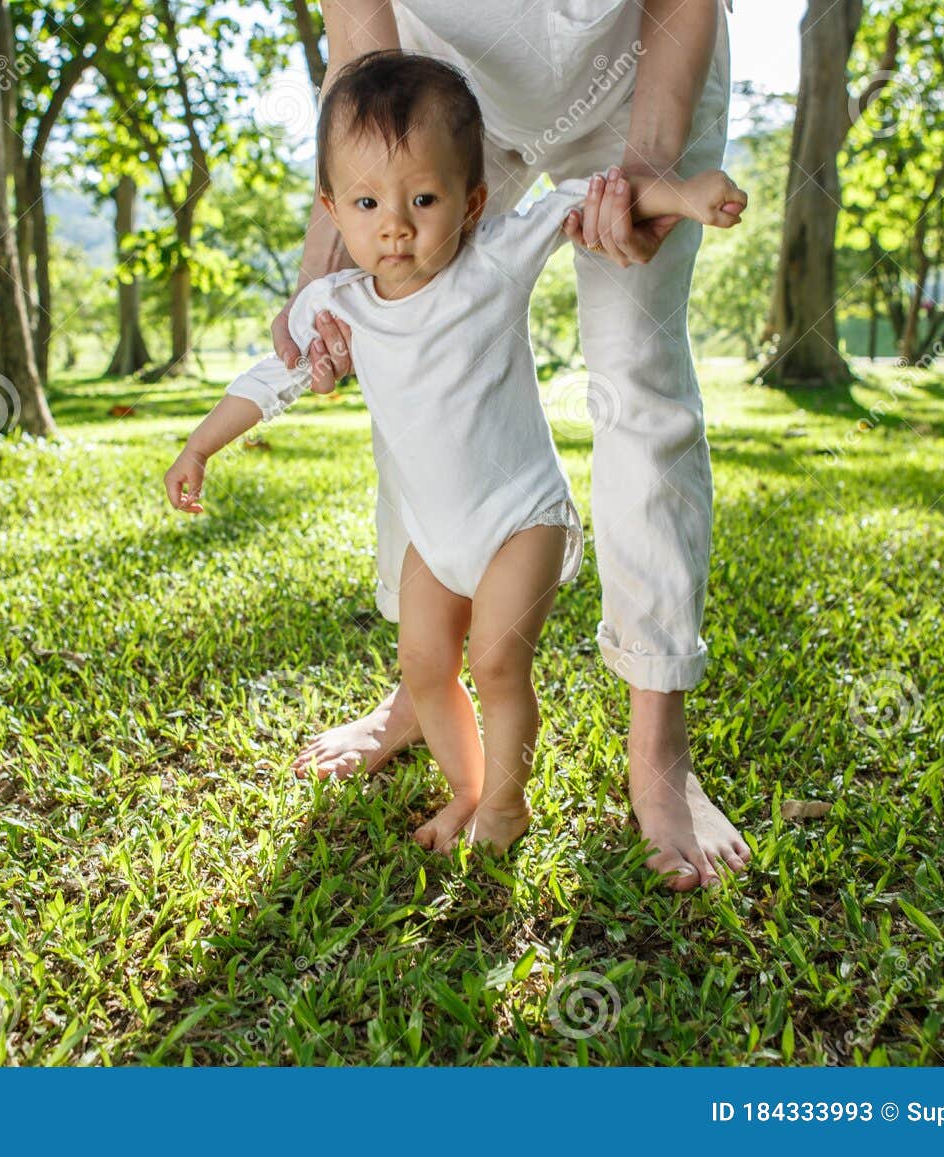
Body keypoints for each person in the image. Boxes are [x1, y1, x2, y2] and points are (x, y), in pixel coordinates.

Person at [164, 50, 745, 855]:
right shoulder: (339, 305)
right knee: (425, 663)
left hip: (518, 520)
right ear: (333, 209)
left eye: (423, 199)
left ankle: (507, 807)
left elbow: (589, 194)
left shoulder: (493, 262)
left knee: (498, 666)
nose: (395, 224)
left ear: (472, 202)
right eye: (367, 202)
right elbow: (271, 378)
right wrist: (200, 446)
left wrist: (683, 193)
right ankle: (467, 790)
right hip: (432, 540)